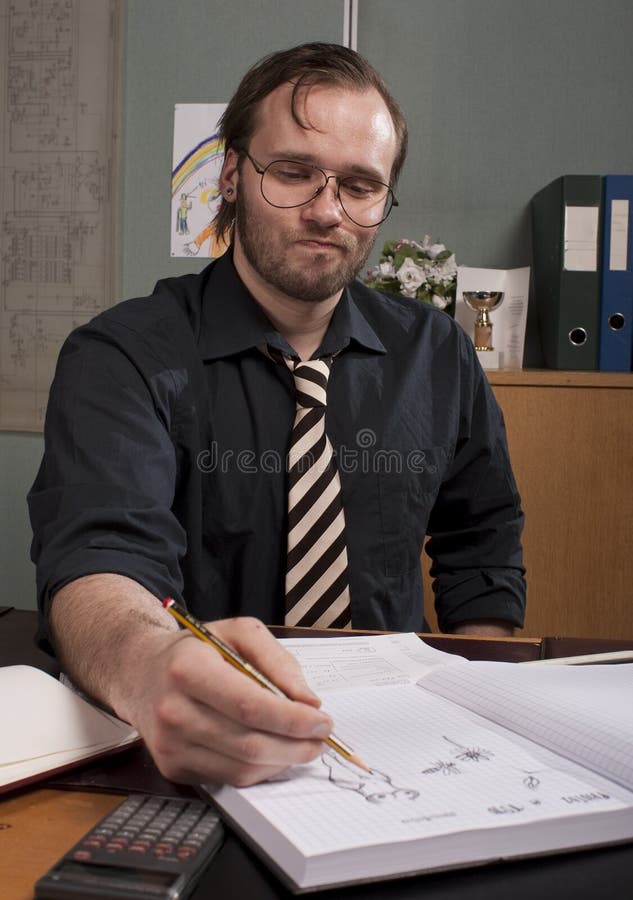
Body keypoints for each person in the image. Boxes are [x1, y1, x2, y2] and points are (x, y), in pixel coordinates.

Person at [28, 42, 525, 788]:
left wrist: (482, 696)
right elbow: (100, 559)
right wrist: (149, 668)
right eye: (292, 172)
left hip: (401, 744)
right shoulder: (120, 354)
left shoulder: (436, 351)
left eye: (359, 185)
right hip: (185, 742)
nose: (326, 211)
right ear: (231, 175)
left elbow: (480, 536)